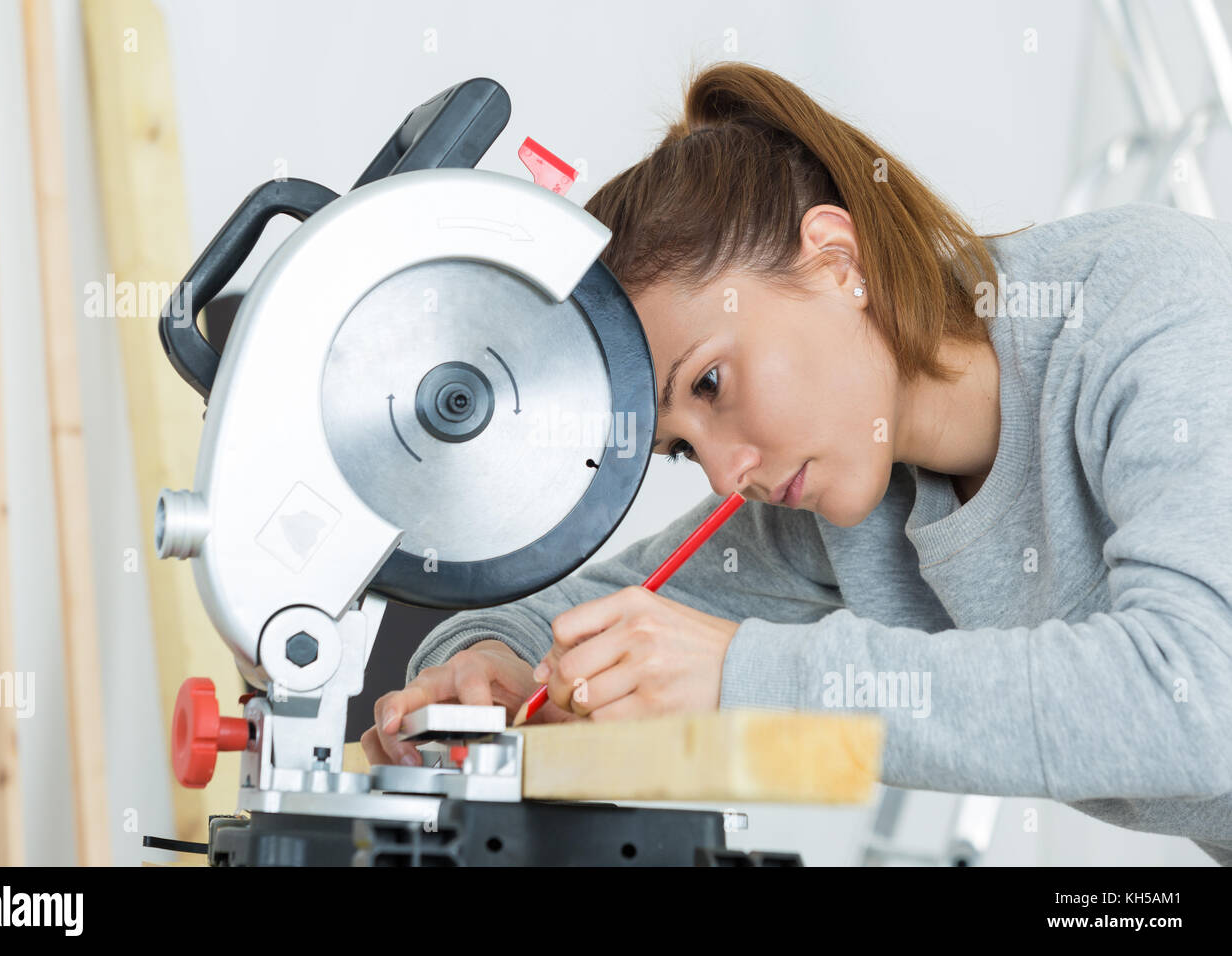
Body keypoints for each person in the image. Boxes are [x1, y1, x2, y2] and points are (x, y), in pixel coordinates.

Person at [362, 62, 1232, 864]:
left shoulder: (1151, 301)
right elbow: (583, 618)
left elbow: (1200, 696)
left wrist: (745, 674)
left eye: (709, 381)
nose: (724, 474)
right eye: (680, 448)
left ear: (835, 260)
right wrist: (485, 661)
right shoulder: (839, 491)